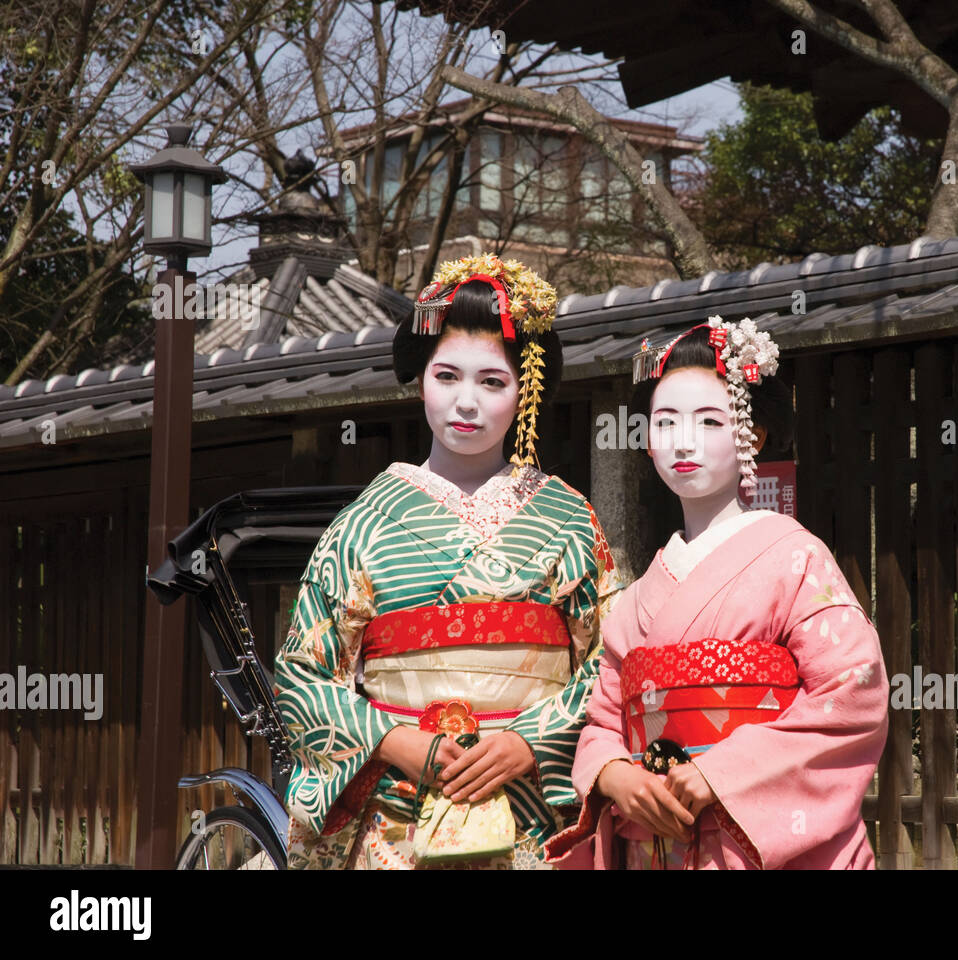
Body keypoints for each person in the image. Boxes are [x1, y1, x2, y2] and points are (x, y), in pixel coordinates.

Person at [273, 254, 622, 869]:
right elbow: (302, 674)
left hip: (534, 811)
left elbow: (612, 662)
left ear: (525, 391)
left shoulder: (568, 518)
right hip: (398, 810)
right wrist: (394, 739)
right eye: (446, 377)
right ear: (420, 381)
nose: (467, 402)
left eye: (492, 381)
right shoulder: (365, 521)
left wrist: (529, 740)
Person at [545, 317, 888, 869]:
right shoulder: (635, 601)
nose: (684, 441)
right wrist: (615, 775)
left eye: (710, 421)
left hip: (753, 846)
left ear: (754, 434)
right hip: (655, 842)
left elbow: (853, 692)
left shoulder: (794, 558)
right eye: (665, 422)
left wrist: (717, 773)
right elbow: (606, 721)